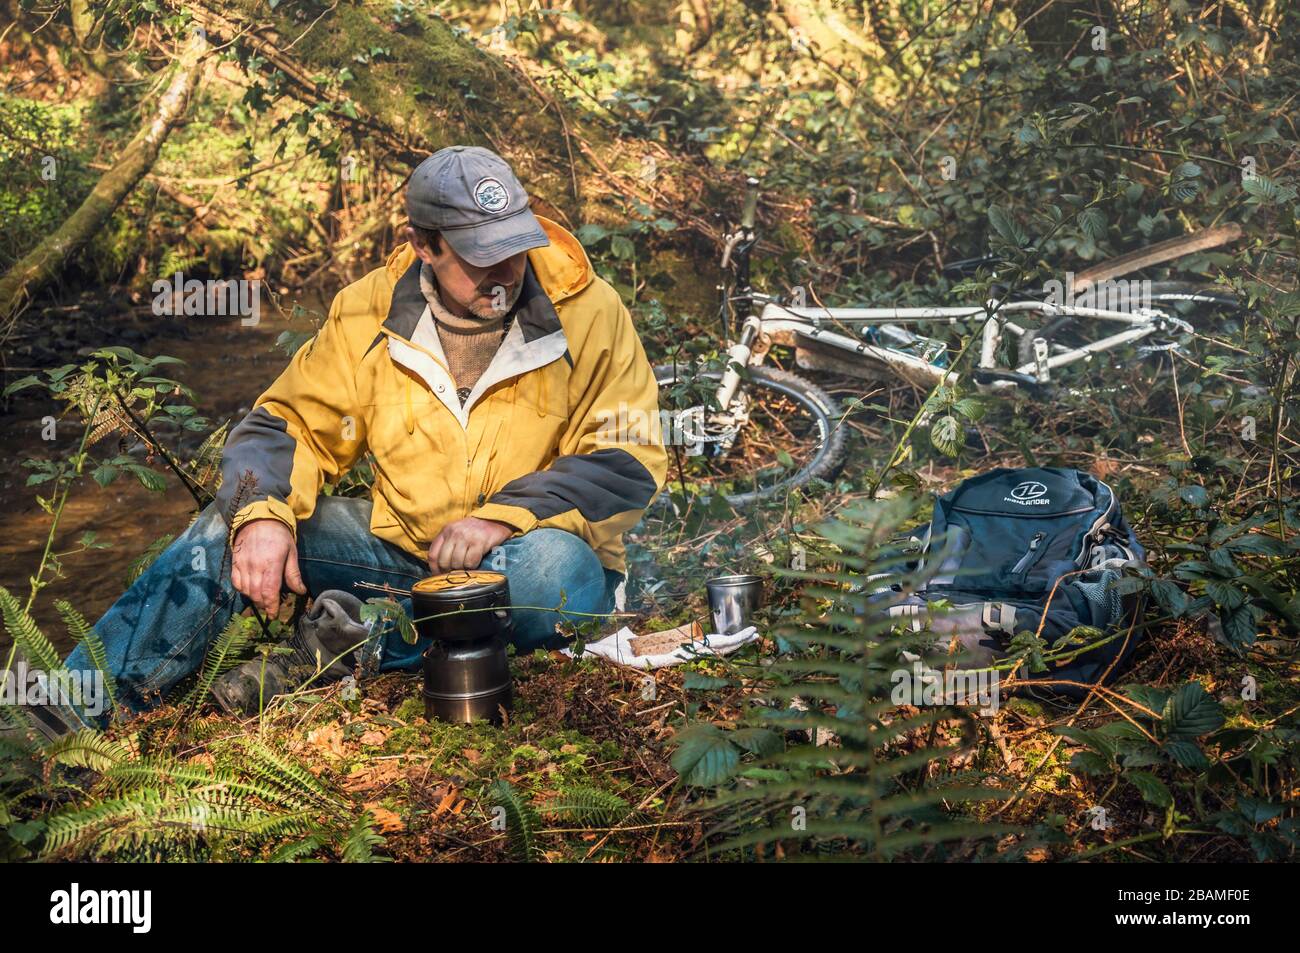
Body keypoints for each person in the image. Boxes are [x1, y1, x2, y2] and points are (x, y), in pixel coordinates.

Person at [57, 144, 667, 722]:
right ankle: (66, 712)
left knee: (559, 575)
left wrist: (502, 517)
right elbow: (284, 423)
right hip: (401, 552)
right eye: (482, 257)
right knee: (232, 520)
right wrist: (265, 517)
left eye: (516, 248)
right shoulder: (367, 310)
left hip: (526, 559)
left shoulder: (589, 312)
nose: (506, 273)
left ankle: (350, 644)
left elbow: (627, 458)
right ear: (424, 245)